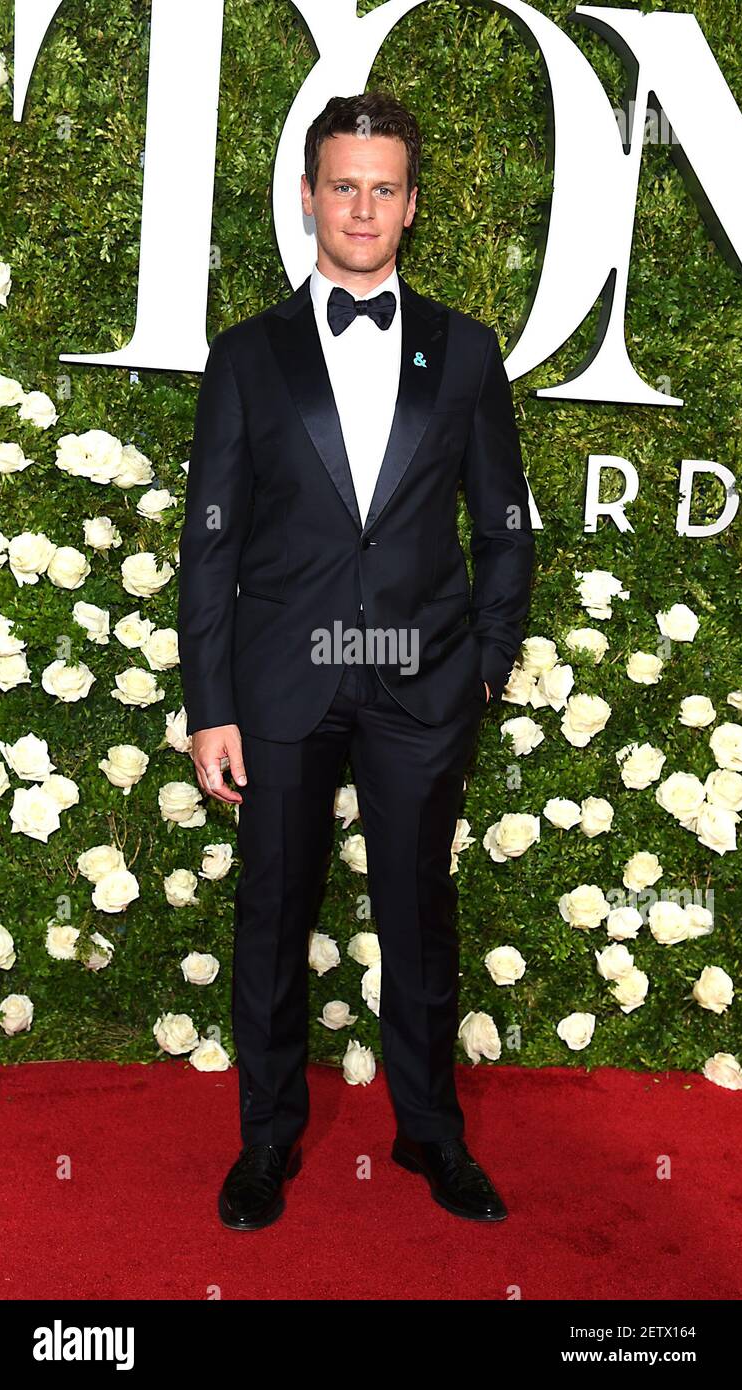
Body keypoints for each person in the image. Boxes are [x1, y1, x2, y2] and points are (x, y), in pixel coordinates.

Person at [177, 90, 535, 1232]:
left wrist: (486, 659)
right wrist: (209, 703)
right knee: (273, 916)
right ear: (310, 197)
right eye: (344, 185)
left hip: (422, 682)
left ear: (411, 206)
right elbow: (209, 538)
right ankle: (266, 1141)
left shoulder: (468, 352)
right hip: (284, 680)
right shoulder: (246, 356)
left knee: (419, 916)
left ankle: (430, 1135)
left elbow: (506, 525)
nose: (363, 206)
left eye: (384, 188)